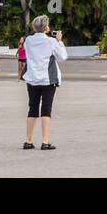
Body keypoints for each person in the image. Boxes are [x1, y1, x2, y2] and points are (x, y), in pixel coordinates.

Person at [22, 14, 68, 150]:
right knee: (46, 110)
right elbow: (63, 57)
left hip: (32, 79)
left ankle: (28, 140)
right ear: (46, 27)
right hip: (47, 80)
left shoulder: (28, 41)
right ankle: (45, 141)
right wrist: (59, 41)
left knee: (32, 109)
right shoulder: (51, 42)